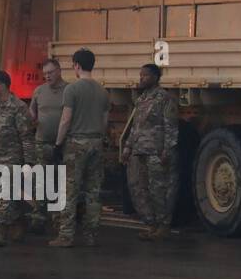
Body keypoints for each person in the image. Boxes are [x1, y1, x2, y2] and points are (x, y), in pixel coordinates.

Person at [49, 48, 110, 248]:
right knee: (94, 190)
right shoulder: (103, 91)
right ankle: (91, 234)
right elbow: (105, 121)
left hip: (76, 143)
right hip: (96, 142)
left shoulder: (72, 89)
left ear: (76, 65)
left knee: (70, 189)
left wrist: (58, 144)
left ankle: (66, 235)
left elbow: (66, 119)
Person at [121, 63, 179, 241]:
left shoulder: (164, 98)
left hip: (155, 151)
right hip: (139, 151)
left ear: (155, 77)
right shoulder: (141, 99)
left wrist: (166, 150)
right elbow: (135, 126)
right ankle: (151, 224)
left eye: (145, 75)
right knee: (139, 188)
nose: (141, 78)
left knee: (158, 190)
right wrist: (128, 147)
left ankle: (163, 226)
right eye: (140, 75)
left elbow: (171, 126)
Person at [0, 71, 38, 247]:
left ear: (3, 85)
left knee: (4, 194)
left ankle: (1, 232)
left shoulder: (18, 107)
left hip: (12, 157)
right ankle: (18, 221)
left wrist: (29, 162)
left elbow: (26, 136)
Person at [27, 58, 68, 234]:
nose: (47, 76)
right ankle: (38, 218)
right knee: (40, 181)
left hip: (62, 144)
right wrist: (32, 121)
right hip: (41, 142)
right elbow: (32, 112)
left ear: (59, 70)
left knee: (61, 182)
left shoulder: (69, 90)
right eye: (44, 73)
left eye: (50, 72)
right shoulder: (39, 91)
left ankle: (58, 220)